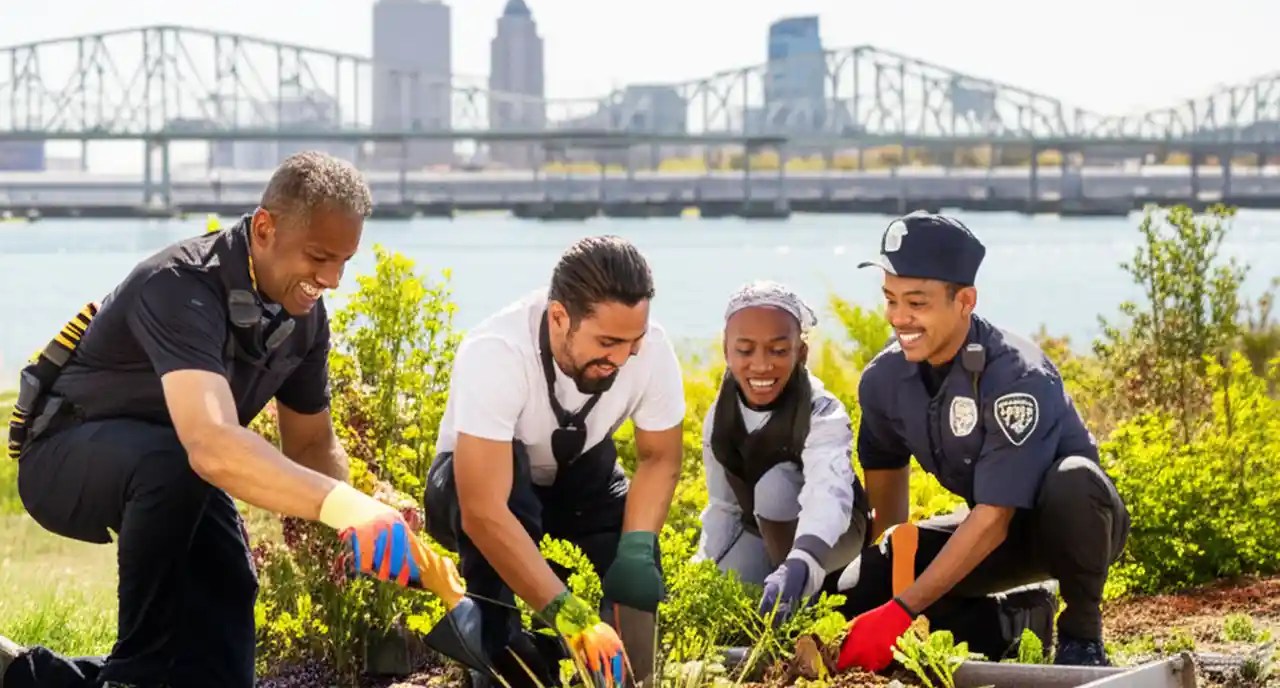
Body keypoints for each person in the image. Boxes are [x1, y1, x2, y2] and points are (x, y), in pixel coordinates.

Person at [1, 152, 472, 688]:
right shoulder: (178, 285)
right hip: (63, 458)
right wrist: (344, 507)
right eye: (319, 256)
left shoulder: (304, 320)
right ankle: (135, 675)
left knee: (229, 589)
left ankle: (19, 675)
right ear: (266, 229)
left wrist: (369, 513)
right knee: (174, 465)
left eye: (345, 261)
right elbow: (211, 444)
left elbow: (312, 444)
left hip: (175, 472)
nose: (333, 279)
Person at [833, 211, 1130, 674]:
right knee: (856, 591)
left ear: (965, 300)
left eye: (917, 302)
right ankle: (1016, 620)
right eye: (890, 299)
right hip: (989, 528)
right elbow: (888, 508)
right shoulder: (883, 380)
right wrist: (883, 588)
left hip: (1073, 526)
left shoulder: (1018, 376)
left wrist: (901, 611)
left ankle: (1081, 635)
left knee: (1072, 481)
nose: (898, 318)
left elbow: (995, 519)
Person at [424, 235, 687, 688]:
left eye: (634, 341)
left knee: (626, 560)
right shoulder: (497, 351)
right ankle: (496, 648)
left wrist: (637, 549)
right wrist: (571, 616)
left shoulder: (652, 350)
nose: (623, 358)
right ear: (559, 317)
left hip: (581, 477)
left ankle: (628, 676)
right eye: (607, 341)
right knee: (520, 663)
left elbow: (659, 457)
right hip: (479, 491)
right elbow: (485, 511)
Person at [695, 280, 871, 625]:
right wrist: (701, 569)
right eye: (745, 351)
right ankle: (780, 589)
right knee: (717, 597)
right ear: (726, 350)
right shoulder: (719, 415)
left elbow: (827, 496)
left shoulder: (822, 411)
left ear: (801, 353)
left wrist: (801, 560)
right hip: (760, 528)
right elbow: (723, 507)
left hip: (833, 532)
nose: (761, 366)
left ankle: (802, 605)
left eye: (778, 350)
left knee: (773, 485)